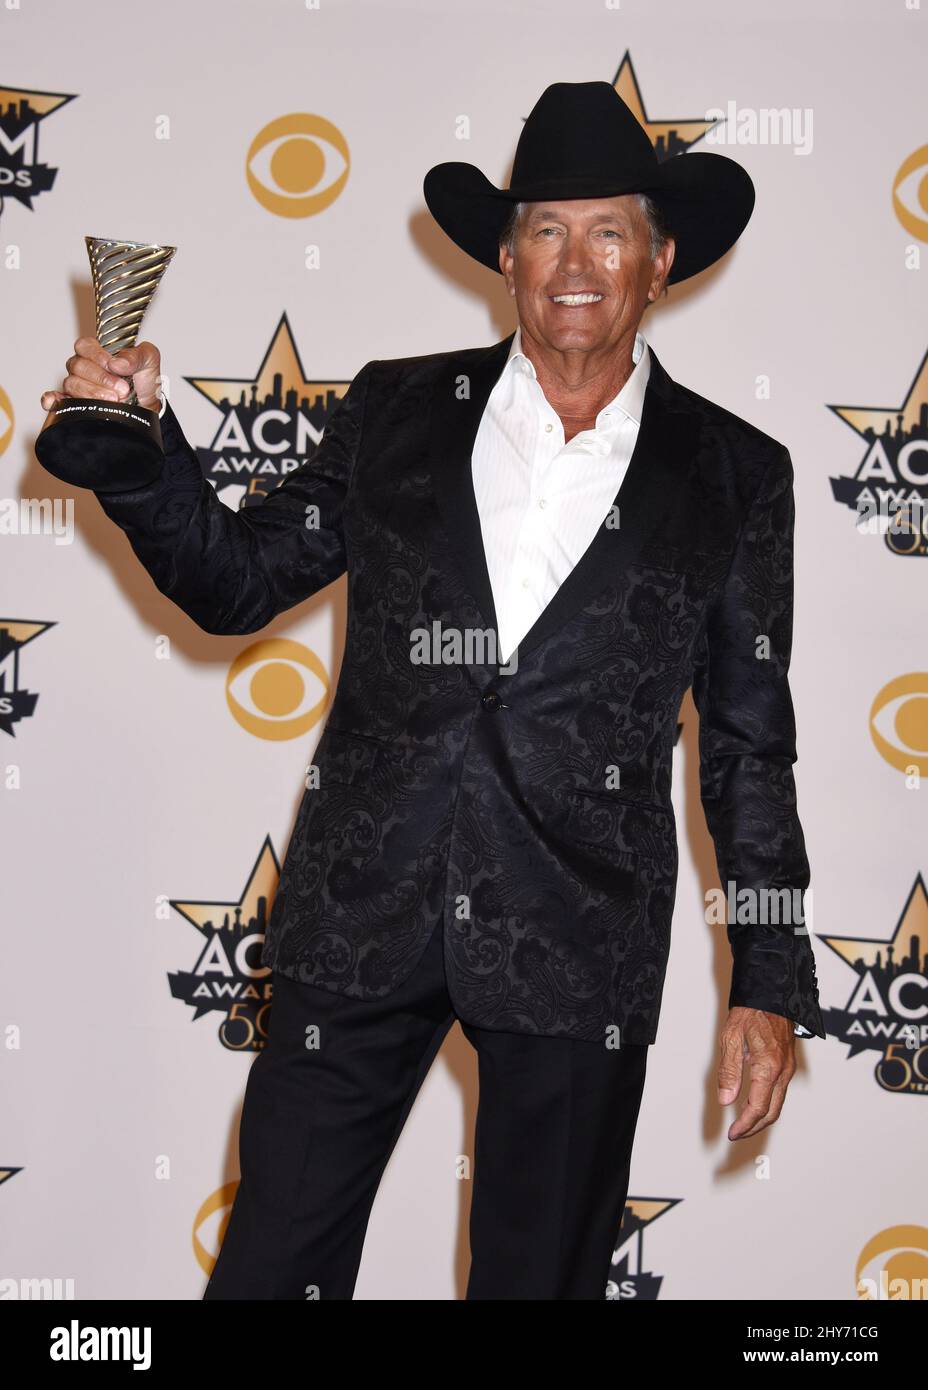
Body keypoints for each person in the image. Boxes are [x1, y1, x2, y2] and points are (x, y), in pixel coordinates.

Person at [38, 81, 824, 1301]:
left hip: (578, 947)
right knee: (267, 1276)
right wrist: (138, 444)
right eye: (545, 230)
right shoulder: (398, 409)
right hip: (359, 920)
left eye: (606, 230)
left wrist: (767, 983)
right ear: (505, 257)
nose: (574, 261)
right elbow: (236, 583)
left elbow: (746, 743)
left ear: (658, 259)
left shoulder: (733, 473)